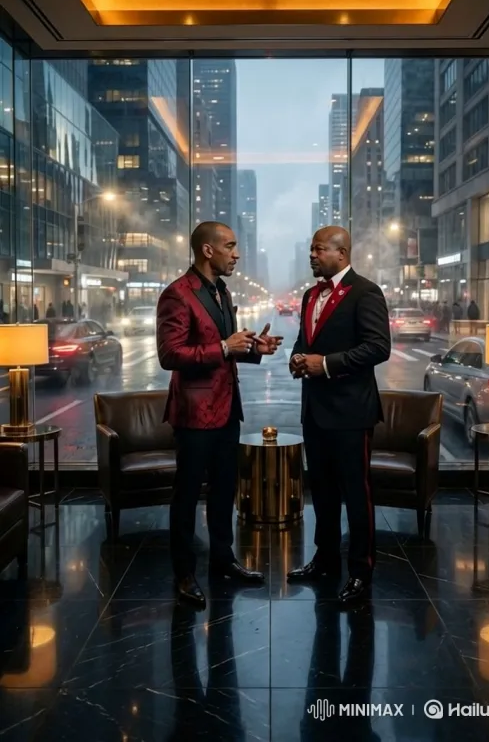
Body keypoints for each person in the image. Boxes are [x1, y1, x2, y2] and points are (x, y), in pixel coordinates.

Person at [157, 221, 283, 607]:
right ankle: (183, 574)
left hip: (227, 410)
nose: (237, 253)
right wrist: (226, 348)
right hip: (194, 414)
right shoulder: (177, 294)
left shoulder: (222, 292)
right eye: (230, 246)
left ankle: (223, 561)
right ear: (207, 250)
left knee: (225, 490)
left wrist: (254, 348)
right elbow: (170, 355)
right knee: (188, 494)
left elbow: (224, 348)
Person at [287, 226, 390, 606]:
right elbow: (305, 339)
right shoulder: (310, 294)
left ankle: (361, 571)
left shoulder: (366, 292)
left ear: (341, 253)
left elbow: (379, 347)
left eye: (318, 250)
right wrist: (298, 357)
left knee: (356, 495)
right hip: (314, 411)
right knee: (324, 493)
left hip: (350, 413)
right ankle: (325, 559)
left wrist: (325, 364)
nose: (311, 256)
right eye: (311, 249)